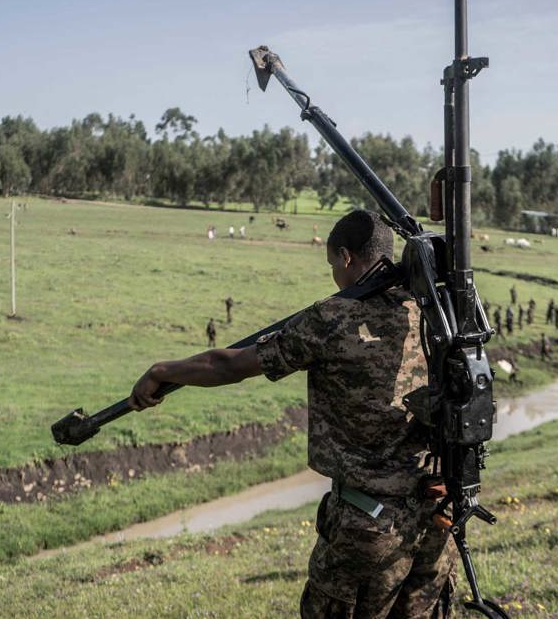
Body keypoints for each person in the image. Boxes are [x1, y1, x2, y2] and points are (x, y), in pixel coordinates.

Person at [127, 210, 455, 617]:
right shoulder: (435, 313)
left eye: (333, 263)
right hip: (438, 516)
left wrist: (162, 371)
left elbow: (229, 366)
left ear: (346, 256)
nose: (334, 272)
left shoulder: (333, 318)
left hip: (368, 525)